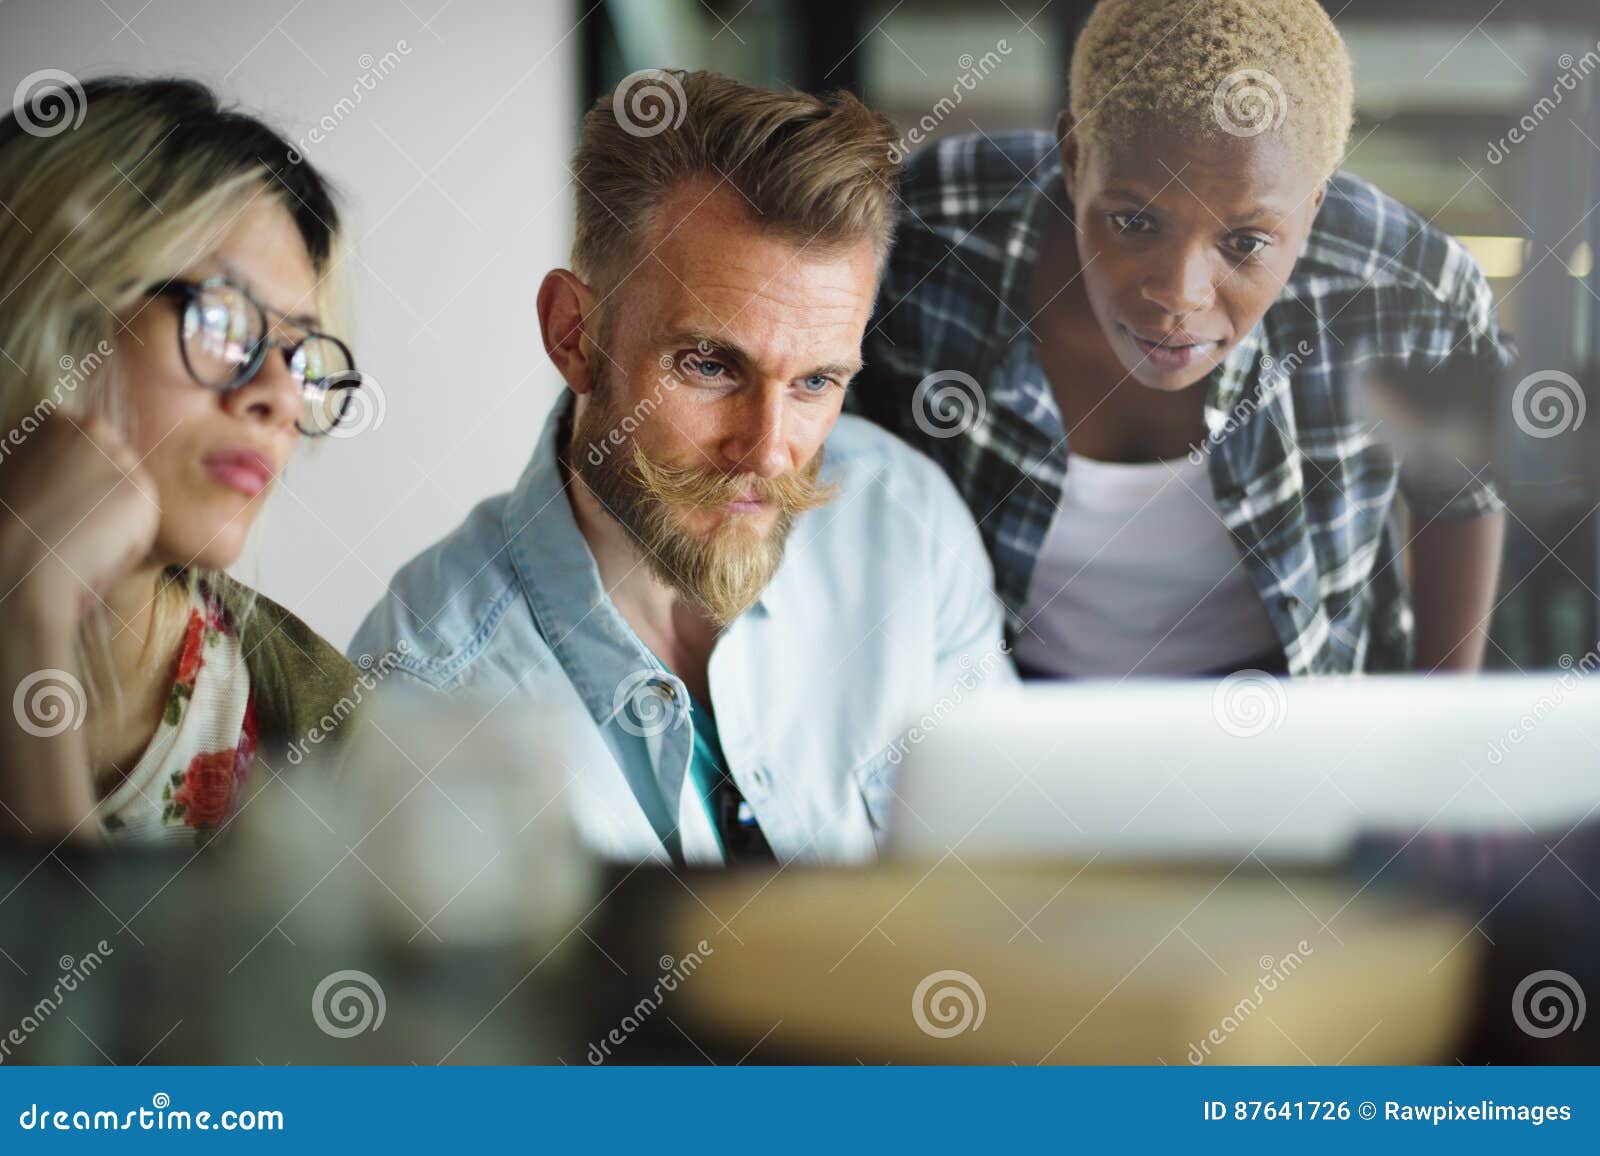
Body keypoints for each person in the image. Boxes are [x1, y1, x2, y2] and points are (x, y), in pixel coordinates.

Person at [350, 70, 1013, 867]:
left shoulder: (911, 525)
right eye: (708, 366)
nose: (768, 452)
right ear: (574, 335)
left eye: (816, 382)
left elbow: (1001, 885)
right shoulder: (430, 691)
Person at [852, 0, 1515, 679]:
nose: (1178, 294)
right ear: (1074, 161)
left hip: (1289, 727)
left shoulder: (1407, 288)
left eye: (1246, 241)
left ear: (1314, 205)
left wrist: (1442, 744)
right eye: (1134, 222)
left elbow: (1461, 494)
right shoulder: (926, 231)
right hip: (1009, 717)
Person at [0, 78, 367, 846]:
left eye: (300, 355)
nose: (276, 395)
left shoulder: (317, 716)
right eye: (223, 323)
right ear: (54, 311)